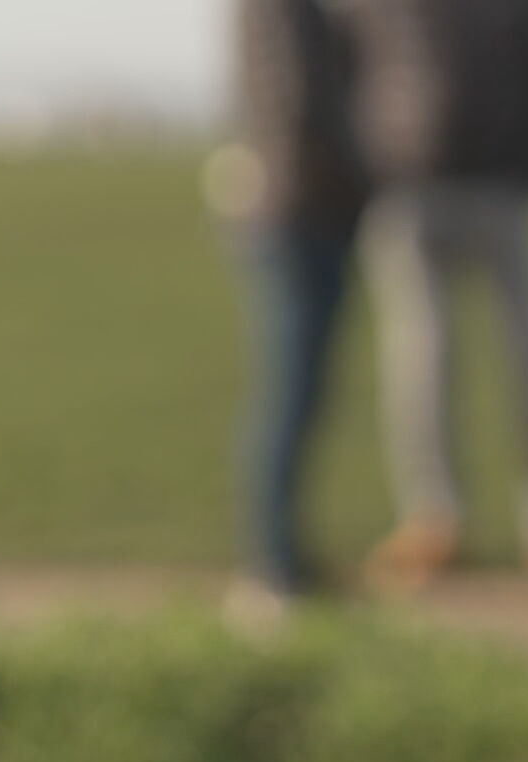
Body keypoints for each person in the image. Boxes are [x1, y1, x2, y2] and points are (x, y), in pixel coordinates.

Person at [338, 0, 528, 592]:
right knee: (422, 361)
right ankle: (433, 518)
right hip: (409, 190)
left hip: (502, 190)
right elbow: (343, 68)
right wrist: (372, 163)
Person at [230, 0, 368, 610]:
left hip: (306, 211)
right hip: (298, 214)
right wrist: (368, 166)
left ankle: (285, 557)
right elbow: (301, 101)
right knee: (289, 393)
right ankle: (273, 565)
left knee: (302, 394)